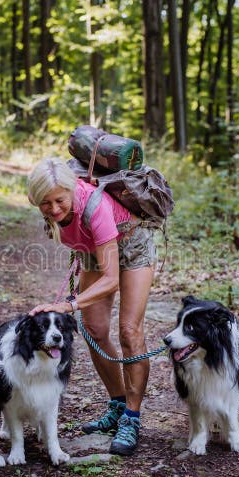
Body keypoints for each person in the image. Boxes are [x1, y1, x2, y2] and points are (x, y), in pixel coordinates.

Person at [26, 157, 157, 456]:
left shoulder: (93, 206)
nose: (54, 209)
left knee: (129, 331)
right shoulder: (47, 204)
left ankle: (132, 419)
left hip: (133, 245)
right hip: (93, 251)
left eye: (60, 200)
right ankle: (118, 404)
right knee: (95, 329)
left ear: (72, 190)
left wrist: (68, 305)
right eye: (45, 203)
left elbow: (111, 280)